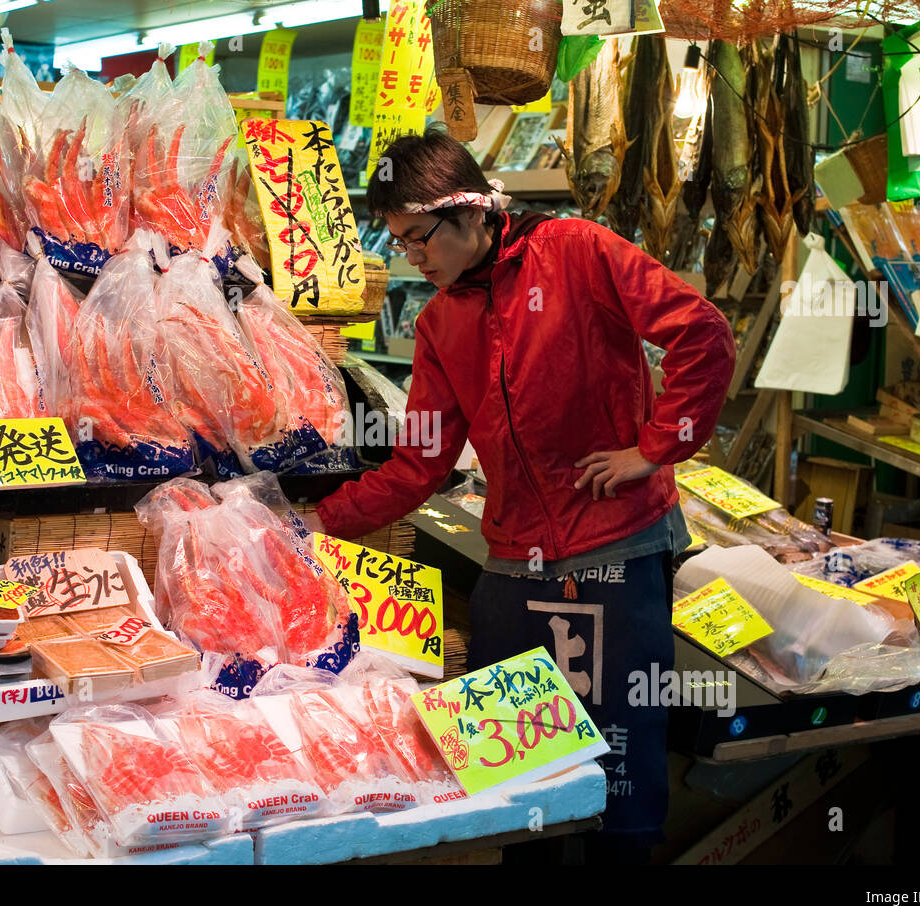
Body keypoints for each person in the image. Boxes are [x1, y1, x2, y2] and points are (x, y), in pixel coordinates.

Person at [313, 128, 736, 861]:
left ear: (472, 212)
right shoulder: (439, 321)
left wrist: (654, 448)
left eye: (419, 238)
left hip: (617, 549)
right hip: (511, 563)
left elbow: (703, 333)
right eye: (400, 242)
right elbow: (419, 464)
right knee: (514, 795)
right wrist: (316, 521)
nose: (411, 257)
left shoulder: (578, 250)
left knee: (621, 782)